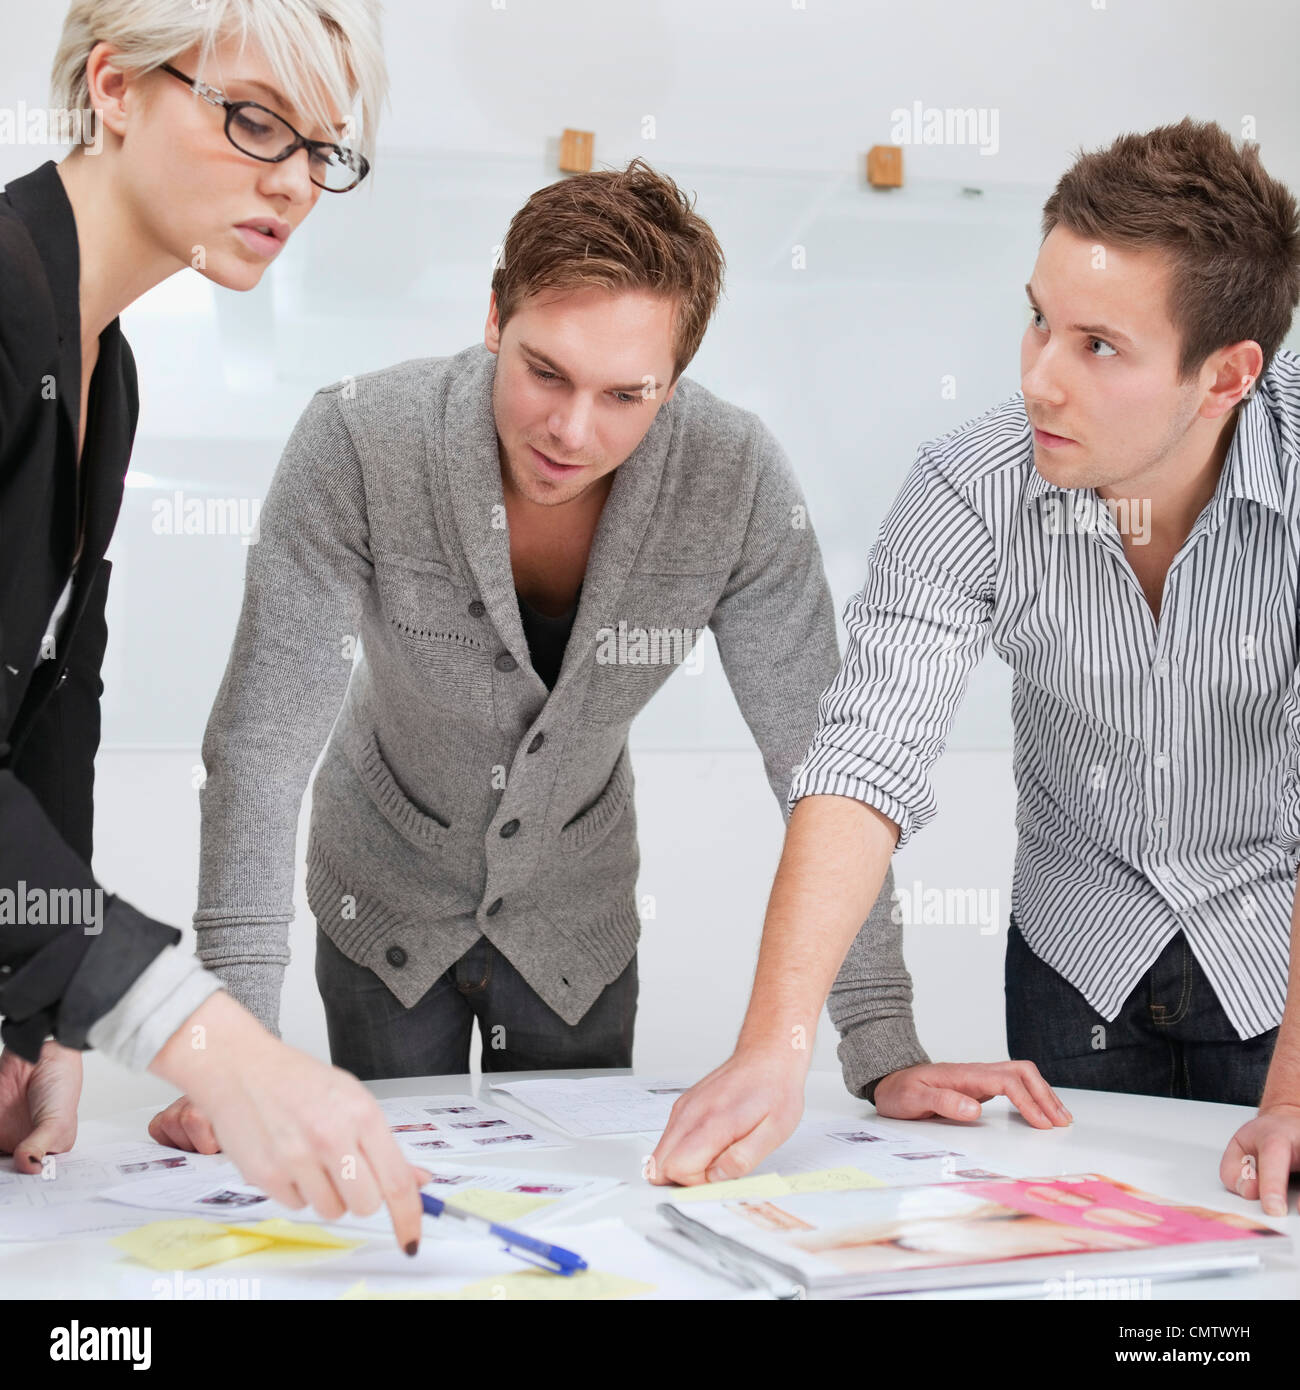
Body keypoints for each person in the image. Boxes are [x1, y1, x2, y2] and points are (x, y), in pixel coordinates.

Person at [147, 157, 1070, 1150]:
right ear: (495, 315)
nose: (571, 430)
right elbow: (262, 748)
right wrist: (232, 1048)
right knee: (391, 1208)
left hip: (577, 924)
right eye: (545, 371)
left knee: (576, 1214)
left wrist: (880, 1039)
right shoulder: (359, 439)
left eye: (625, 394)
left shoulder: (738, 479)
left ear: (674, 382)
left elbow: (824, 762)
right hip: (381, 899)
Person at [652, 118, 1300, 1216]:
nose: (1041, 378)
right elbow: (864, 761)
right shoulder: (968, 485)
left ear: (1225, 375)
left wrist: (1289, 1094)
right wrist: (776, 1045)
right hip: (1078, 962)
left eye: (1098, 346)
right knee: (1093, 1266)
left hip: (1272, 960)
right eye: (1037, 321)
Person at [0, 0, 429, 1252]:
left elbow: (48, 709)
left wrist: (35, 1018)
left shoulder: (102, 363)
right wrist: (193, 1029)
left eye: (321, 151)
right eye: (254, 122)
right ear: (116, 87)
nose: (293, 184)